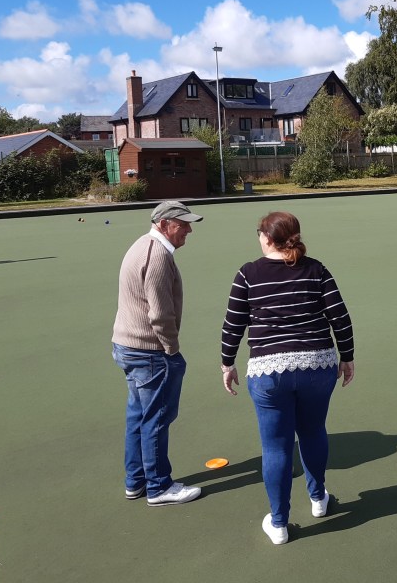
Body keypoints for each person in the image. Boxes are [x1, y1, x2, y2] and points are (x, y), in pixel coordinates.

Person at [221, 211, 355, 545]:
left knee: (276, 447)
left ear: (266, 237)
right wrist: (348, 356)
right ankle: (318, 499)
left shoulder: (247, 274)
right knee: (313, 432)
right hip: (317, 365)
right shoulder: (316, 269)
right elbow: (340, 316)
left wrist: (227, 364)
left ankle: (279, 523)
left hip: (269, 372)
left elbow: (233, 325)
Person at [111, 200, 204, 506]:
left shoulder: (142, 245)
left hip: (128, 345)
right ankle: (159, 486)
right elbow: (160, 312)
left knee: (138, 415)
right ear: (164, 224)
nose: (188, 229)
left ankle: (135, 481)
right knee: (156, 419)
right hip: (149, 350)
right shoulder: (158, 255)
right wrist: (172, 349)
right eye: (183, 224)